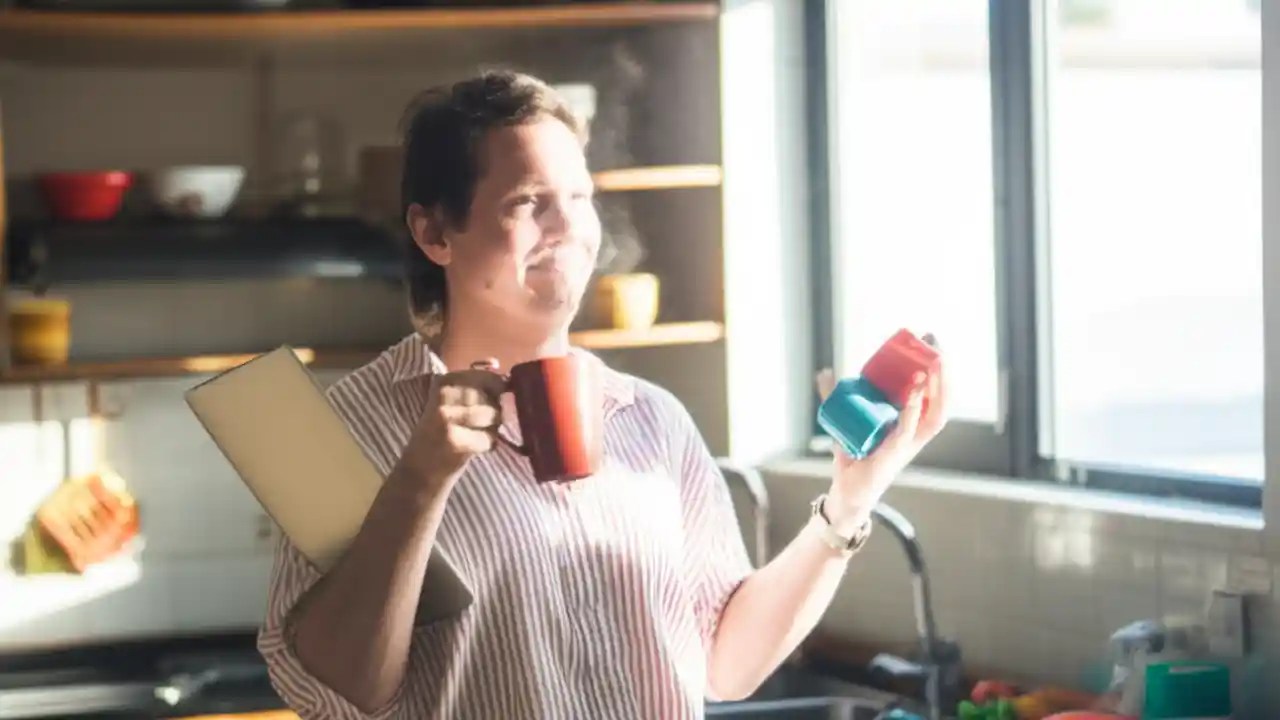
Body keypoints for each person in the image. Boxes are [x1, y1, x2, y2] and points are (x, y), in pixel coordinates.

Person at [257, 70, 949, 720]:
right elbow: (342, 686)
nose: (568, 229)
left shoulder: (650, 419)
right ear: (435, 232)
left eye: (579, 199)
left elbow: (727, 667)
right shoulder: (338, 432)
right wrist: (421, 479)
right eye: (529, 202)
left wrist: (849, 503)